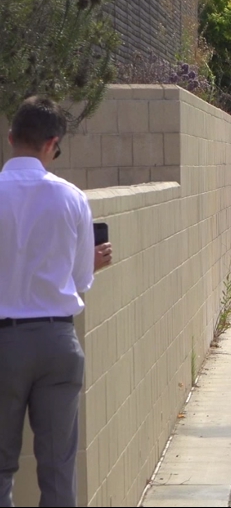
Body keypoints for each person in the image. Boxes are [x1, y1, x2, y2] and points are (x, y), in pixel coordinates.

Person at [0, 96, 114, 506]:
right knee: (58, 467)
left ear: (11, 137)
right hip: (57, 342)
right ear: (53, 143)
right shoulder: (71, 198)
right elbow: (81, 279)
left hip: (4, 342)